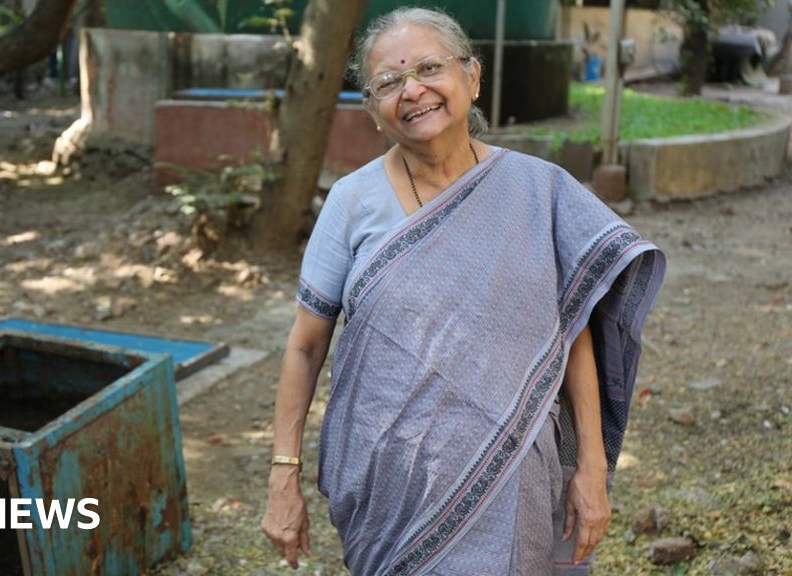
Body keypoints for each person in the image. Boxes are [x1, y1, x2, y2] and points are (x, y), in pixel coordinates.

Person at [261, 7, 666, 575]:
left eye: (430, 68)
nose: (413, 90)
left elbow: (572, 334)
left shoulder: (539, 190)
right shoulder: (351, 202)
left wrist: (591, 467)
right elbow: (305, 347)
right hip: (388, 489)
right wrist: (284, 475)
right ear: (373, 111)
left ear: (472, 77)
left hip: (512, 477)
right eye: (389, 82)